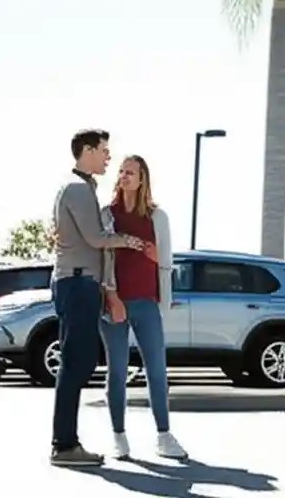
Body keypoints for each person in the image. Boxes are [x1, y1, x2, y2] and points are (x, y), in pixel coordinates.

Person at [51, 129, 147, 467]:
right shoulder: (77, 188)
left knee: (81, 361)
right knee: (76, 362)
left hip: (82, 284)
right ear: (87, 151)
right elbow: (94, 237)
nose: (109, 157)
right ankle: (63, 445)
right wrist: (127, 241)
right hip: (76, 284)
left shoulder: (83, 187)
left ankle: (65, 443)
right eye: (104, 151)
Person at [99, 154, 187, 460]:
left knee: (157, 370)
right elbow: (101, 260)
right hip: (114, 303)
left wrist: (154, 256)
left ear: (142, 179)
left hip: (147, 302)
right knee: (117, 370)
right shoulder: (106, 215)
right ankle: (118, 436)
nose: (124, 176)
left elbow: (167, 261)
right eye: (122, 171)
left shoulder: (156, 217)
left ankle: (164, 435)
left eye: (131, 172)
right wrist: (112, 297)